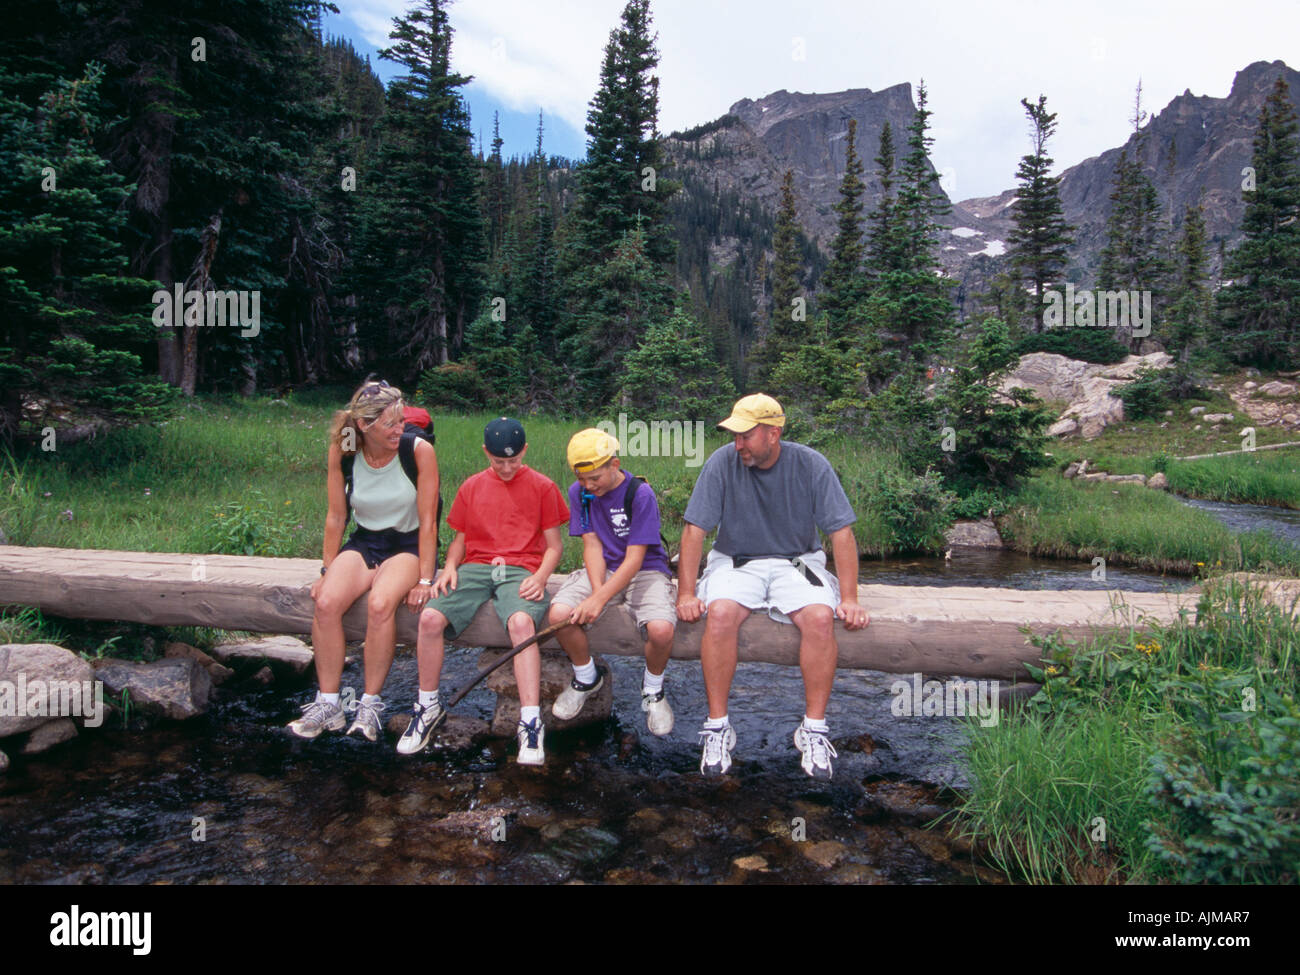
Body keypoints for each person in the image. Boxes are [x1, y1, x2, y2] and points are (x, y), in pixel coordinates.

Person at [676, 393, 870, 779]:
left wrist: (849, 598)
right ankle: (718, 726)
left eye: (746, 436)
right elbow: (694, 530)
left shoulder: (811, 464)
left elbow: (841, 534)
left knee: (819, 617)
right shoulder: (721, 463)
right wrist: (685, 593)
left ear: (773, 433)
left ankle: (813, 729)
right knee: (720, 615)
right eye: (735, 436)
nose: (738, 445)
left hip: (796, 560)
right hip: (736, 560)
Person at [398, 418, 568, 765]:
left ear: (524, 451)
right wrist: (448, 567)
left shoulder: (543, 486)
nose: (506, 468)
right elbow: (460, 540)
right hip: (476, 567)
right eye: (498, 461)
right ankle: (427, 706)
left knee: (521, 623)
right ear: (485, 453)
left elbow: (554, 547)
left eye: (513, 461)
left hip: (520, 568)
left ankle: (530, 721)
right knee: (430, 617)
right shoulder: (472, 486)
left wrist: (541, 577)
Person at [290, 380, 439, 741]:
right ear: (364, 425)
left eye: (401, 420)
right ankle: (328, 704)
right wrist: (327, 570)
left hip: (407, 543)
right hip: (365, 541)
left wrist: (424, 580)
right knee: (325, 602)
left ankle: (369, 705)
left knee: (380, 603)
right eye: (390, 424)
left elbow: (430, 521)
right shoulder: (343, 450)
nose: (400, 429)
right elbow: (336, 517)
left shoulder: (417, 450)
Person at [547, 429, 677, 735]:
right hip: (603, 568)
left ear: (614, 464)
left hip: (645, 568)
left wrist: (600, 599)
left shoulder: (640, 494)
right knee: (559, 615)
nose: (589, 486)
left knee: (660, 629)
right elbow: (591, 546)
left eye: (595, 478)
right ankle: (586, 676)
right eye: (582, 479)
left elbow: (635, 558)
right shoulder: (579, 493)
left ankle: (653, 689)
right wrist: (596, 591)